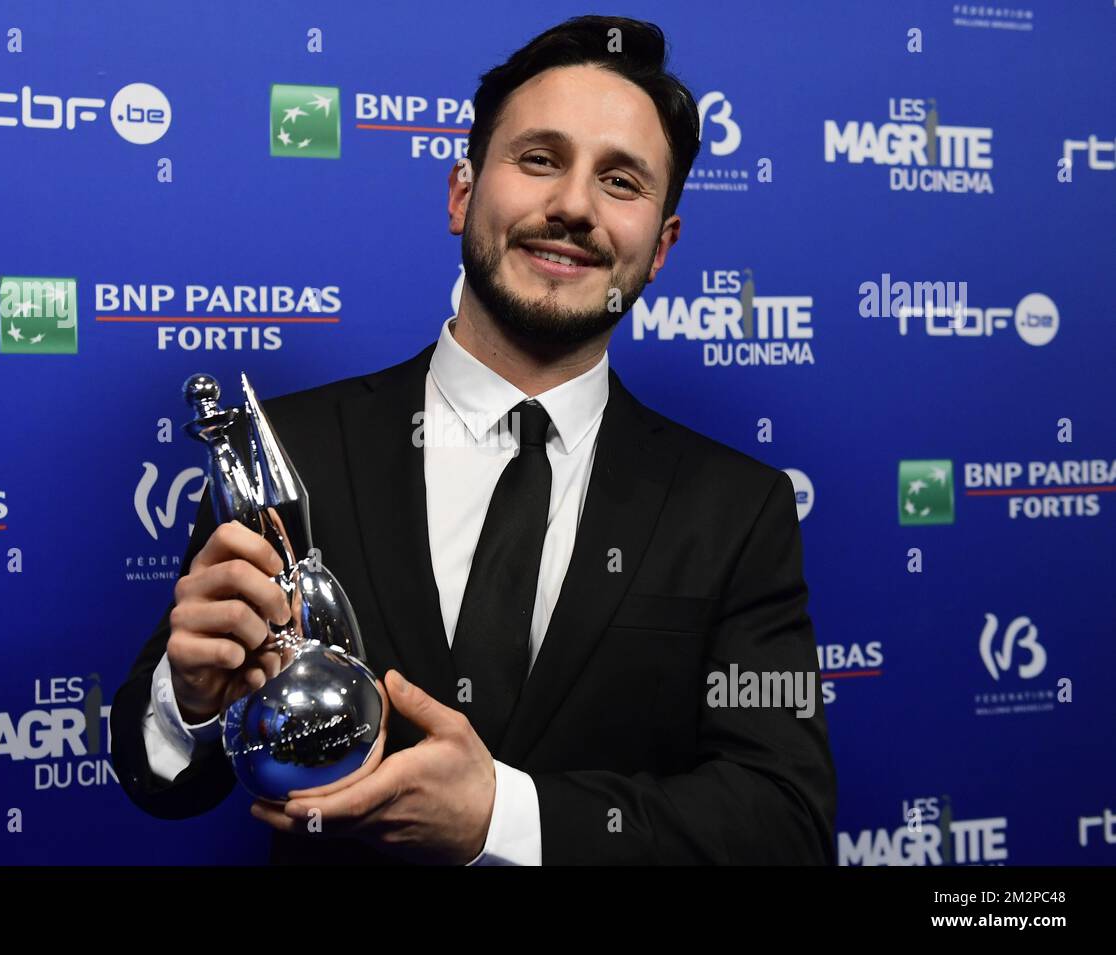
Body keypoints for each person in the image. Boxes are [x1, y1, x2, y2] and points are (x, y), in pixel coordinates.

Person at [110, 14, 836, 865]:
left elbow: (783, 821)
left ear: (661, 247)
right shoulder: (289, 452)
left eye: (621, 181)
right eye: (540, 159)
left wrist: (502, 817)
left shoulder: (736, 509)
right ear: (461, 193)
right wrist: (189, 699)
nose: (574, 206)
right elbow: (164, 779)